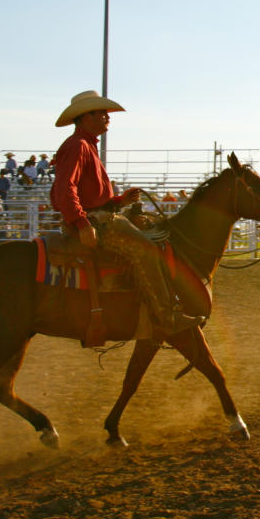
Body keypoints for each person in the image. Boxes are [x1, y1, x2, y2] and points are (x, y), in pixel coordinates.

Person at [51, 90, 208, 342]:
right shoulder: (78, 146)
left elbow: (89, 196)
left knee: (154, 238)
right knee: (147, 250)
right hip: (96, 224)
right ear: (85, 117)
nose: (107, 117)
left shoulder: (85, 146)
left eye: (106, 112)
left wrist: (119, 201)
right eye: (100, 112)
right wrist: (81, 224)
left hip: (98, 218)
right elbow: (65, 188)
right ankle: (167, 317)